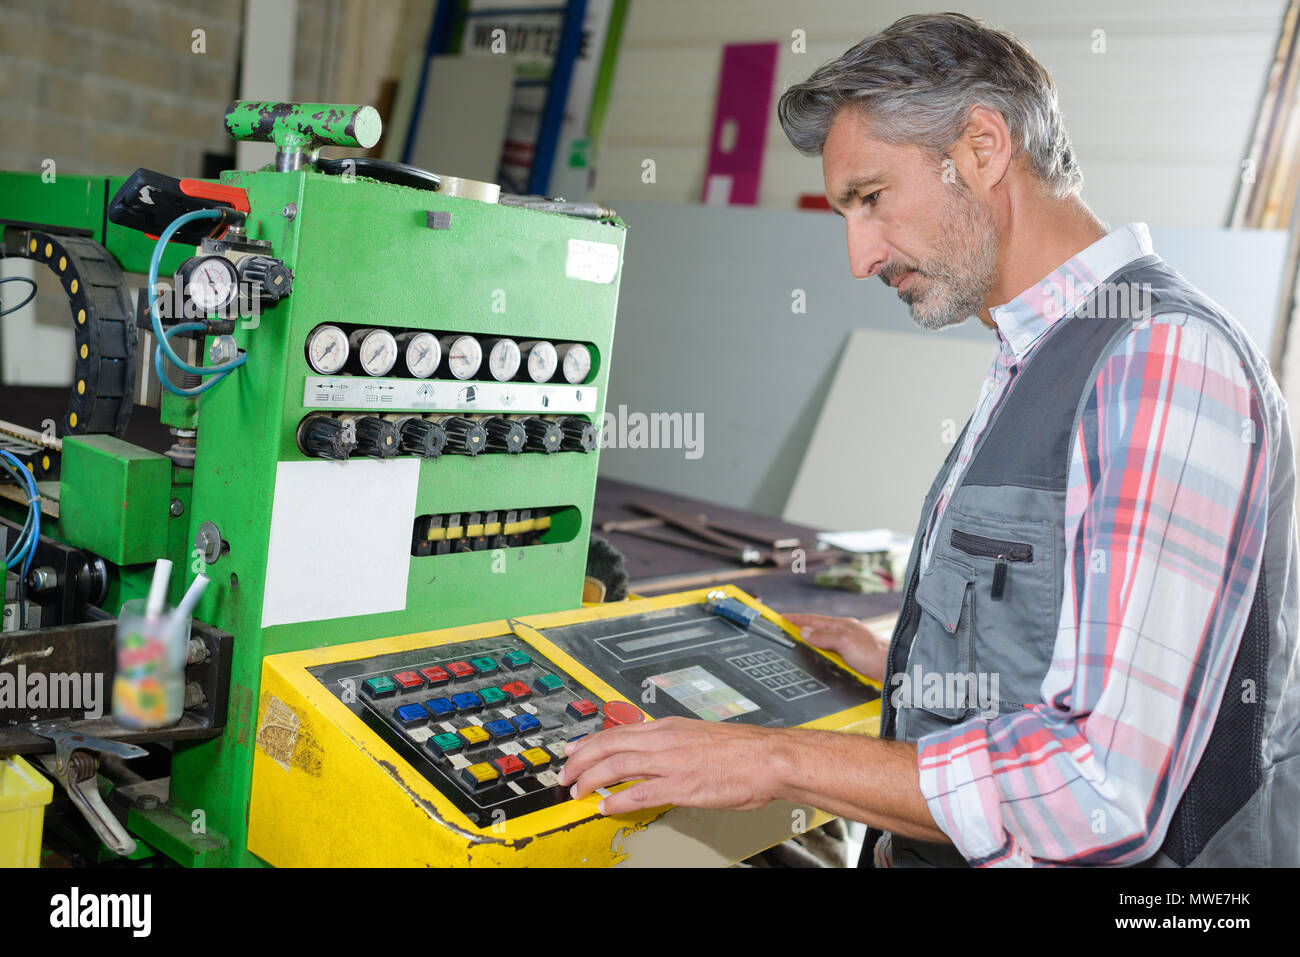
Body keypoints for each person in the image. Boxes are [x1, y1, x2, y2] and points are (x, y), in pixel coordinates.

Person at [558, 12, 1300, 866]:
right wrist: (915, 673)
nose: (858, 256)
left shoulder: (1158, 358)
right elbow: (1057, 644)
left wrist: (774, 759)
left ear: (983, 145)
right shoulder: (1041, 352)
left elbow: (1100, 790)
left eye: (871, 198)